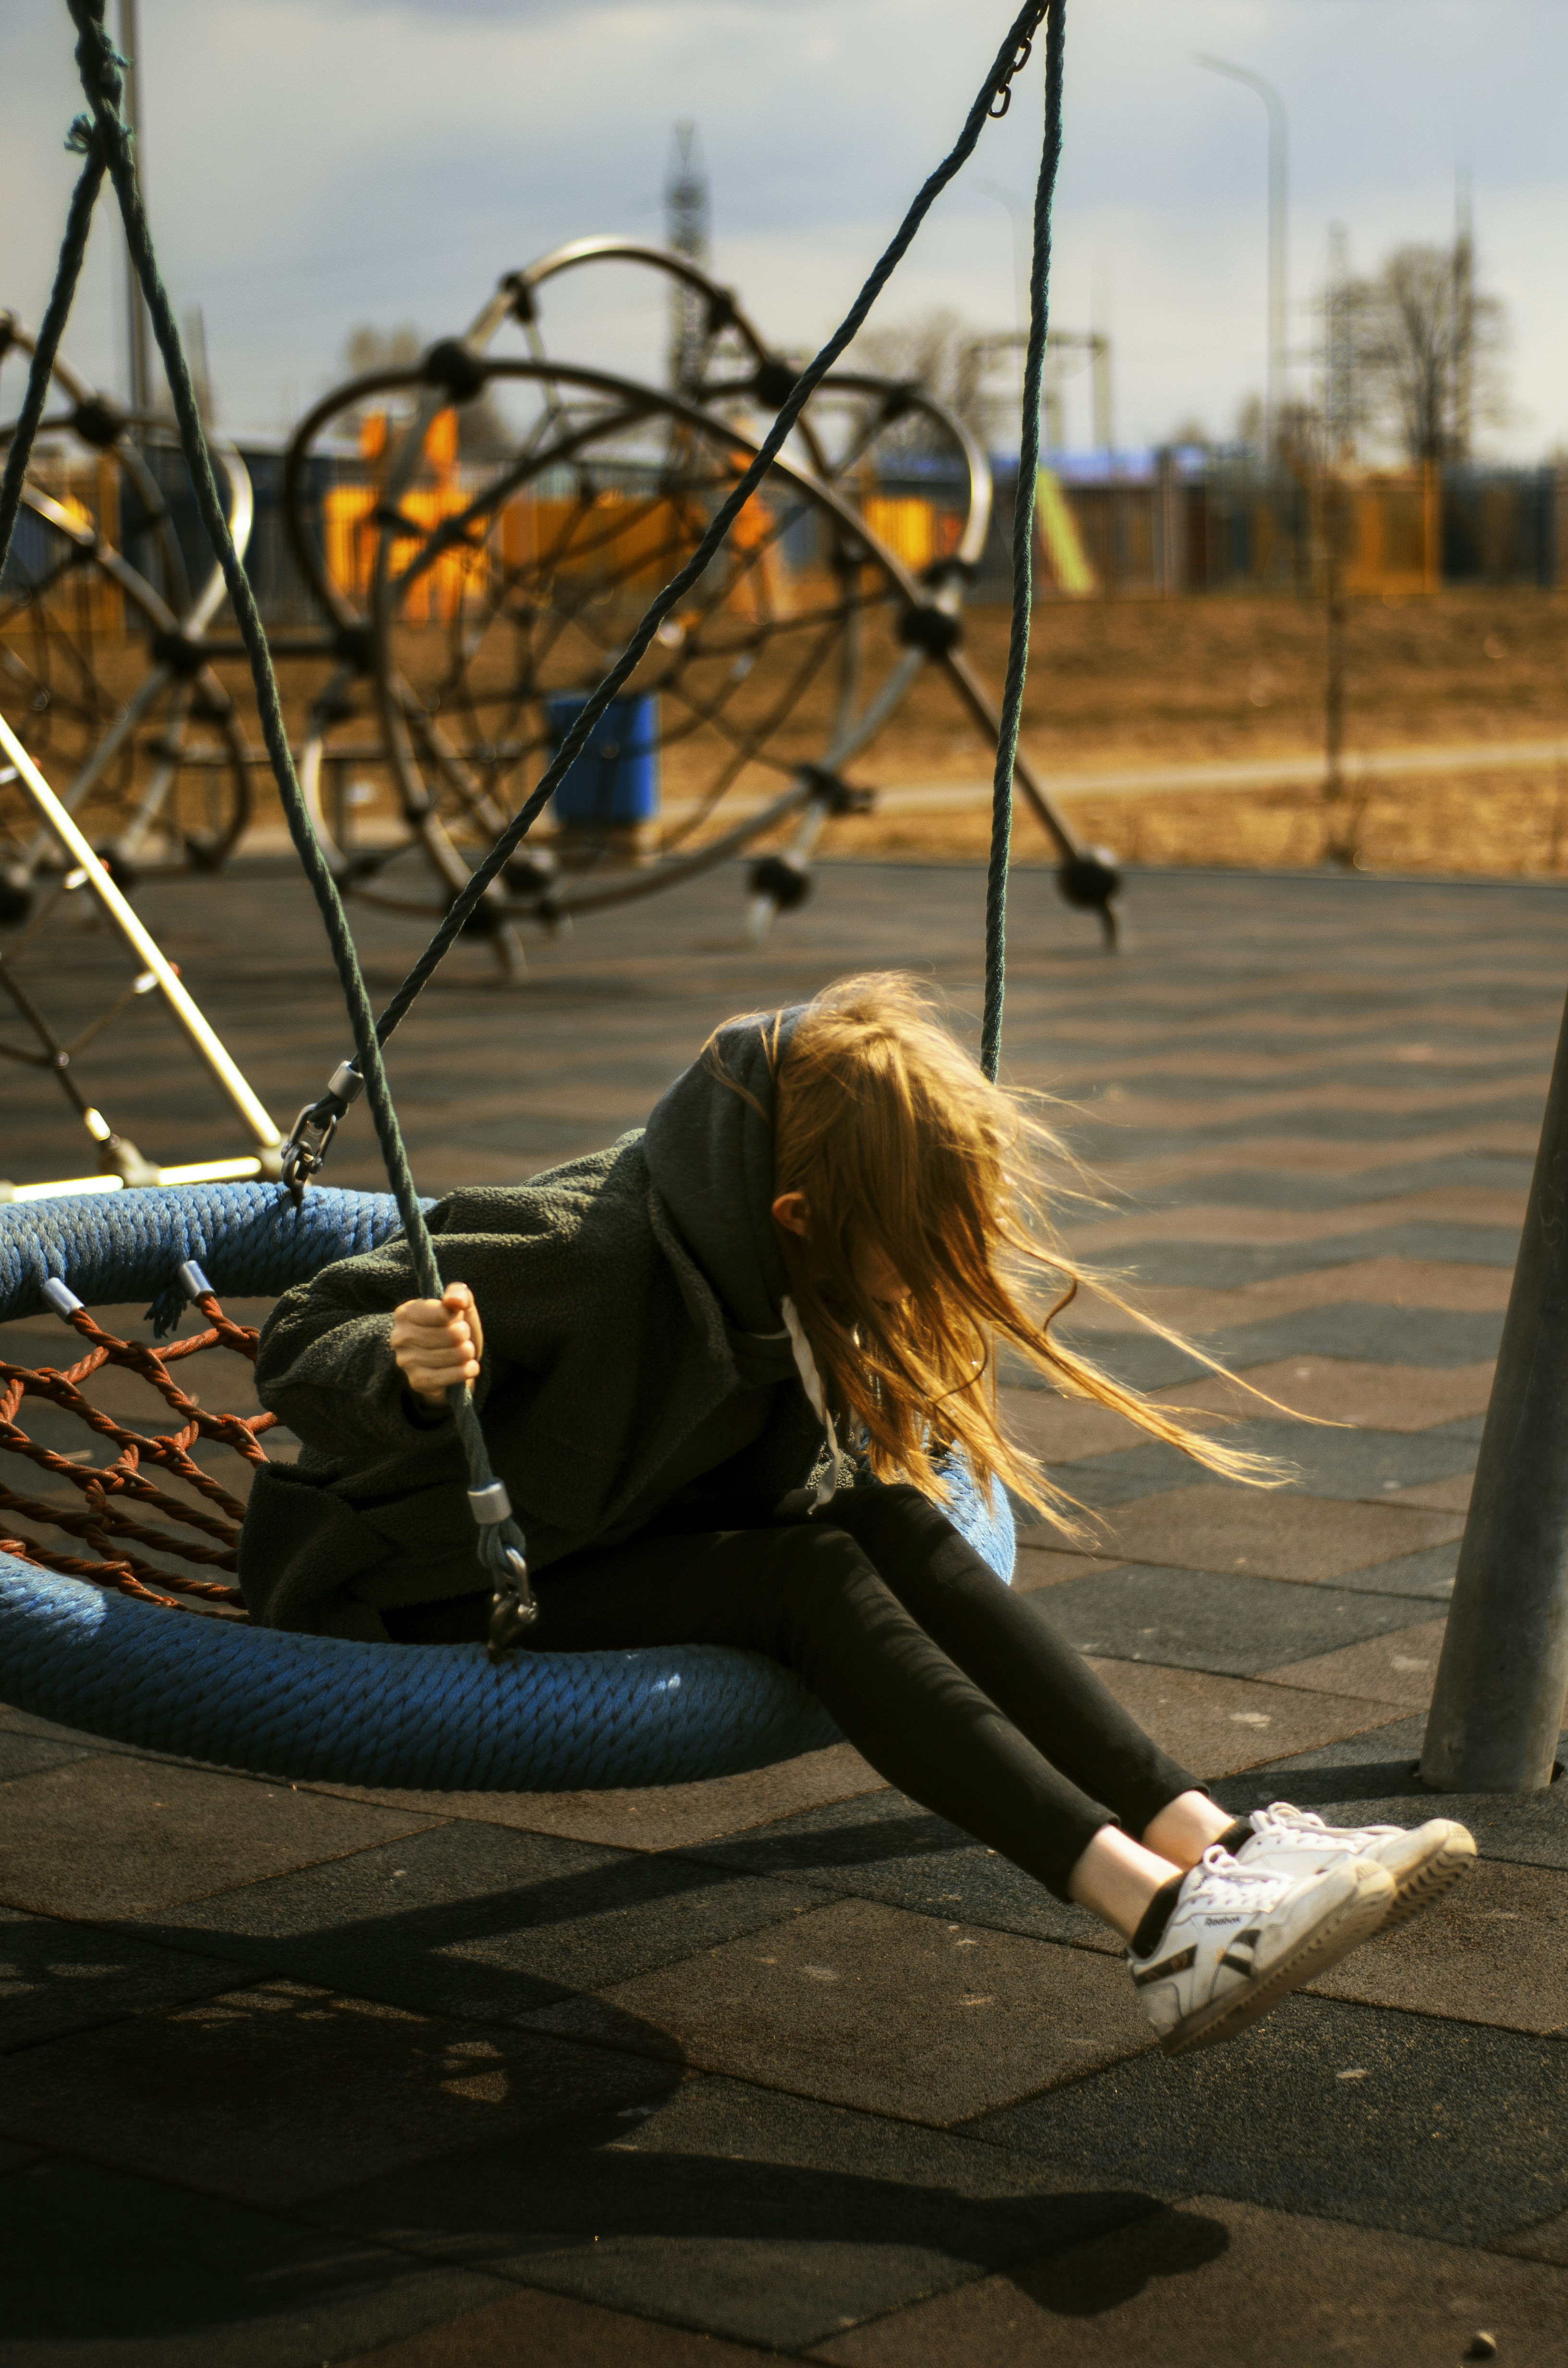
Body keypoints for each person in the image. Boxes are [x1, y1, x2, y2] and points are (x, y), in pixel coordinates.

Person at [240, 973, 1474, 2056]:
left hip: (610, 1529)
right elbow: (299, 1328)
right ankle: (1156, 1924)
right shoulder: (587, 1248)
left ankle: (1217, 1845)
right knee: (809, 1583)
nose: (941, 1273)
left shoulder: (778, 1246)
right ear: (797, 1223)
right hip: (418, 1569)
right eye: (917, 1247)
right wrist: (403, 1368)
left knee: (894, 1521)